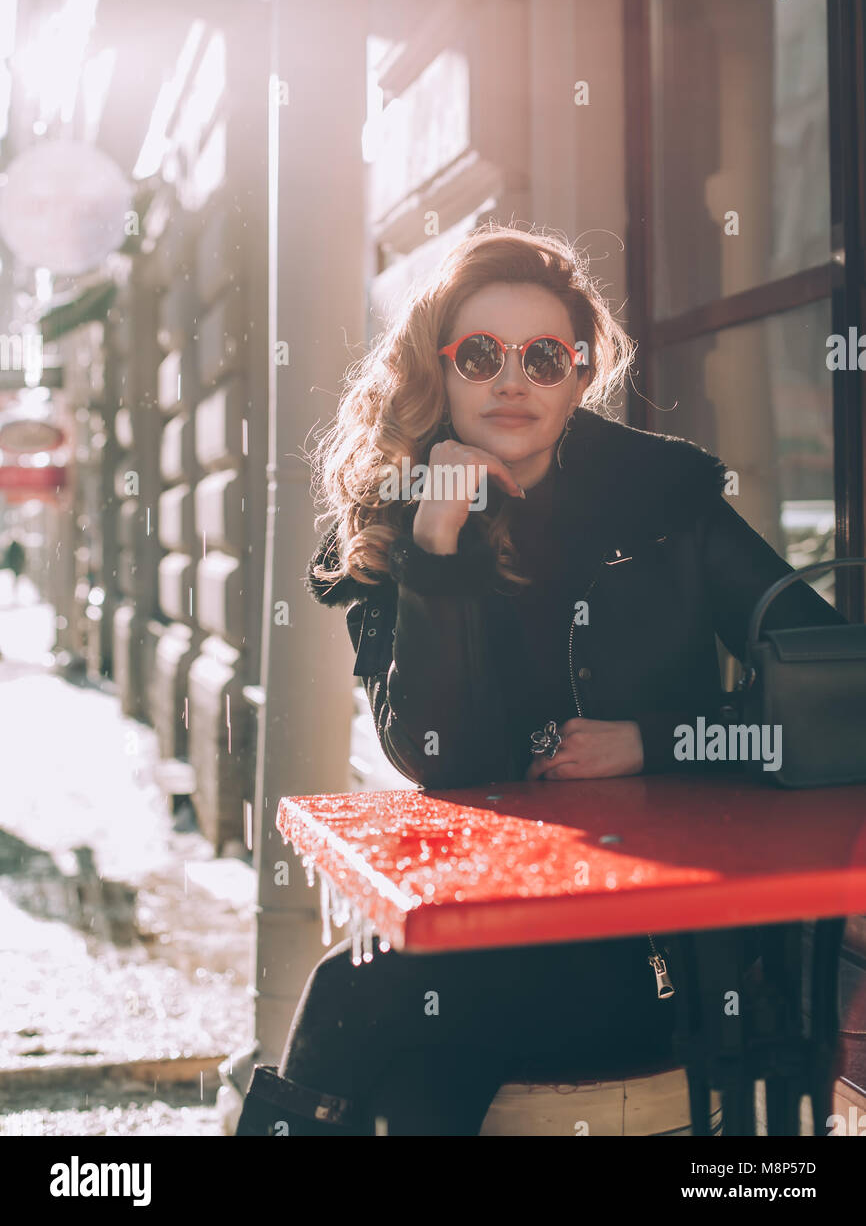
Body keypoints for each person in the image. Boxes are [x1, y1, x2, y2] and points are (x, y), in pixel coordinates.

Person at [236, 224, 845, 1136]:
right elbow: (434, 756)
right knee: (402, 1053)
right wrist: (438, 549)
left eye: (545, 357)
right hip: (497, 926)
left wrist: (660, 739)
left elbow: (834, 690)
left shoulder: (666, 500)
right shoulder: (396, 520)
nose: (512, 381)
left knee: (371, 999)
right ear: (438, 371)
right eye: (480, 355)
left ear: (581, 373)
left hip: (662, 936)